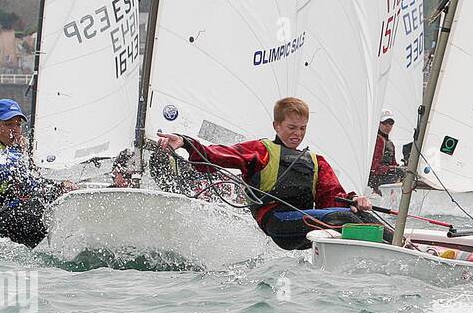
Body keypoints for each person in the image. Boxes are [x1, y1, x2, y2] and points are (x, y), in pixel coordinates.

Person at [157, 96, 381, 251]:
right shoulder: (260, 151)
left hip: (307, 226)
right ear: (276, 125)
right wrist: (186, 142)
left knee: (358, 215)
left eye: (302, 128)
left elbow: (332, 197)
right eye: (292, 127)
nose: (298, 134)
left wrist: (354, 200)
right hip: (277, 223)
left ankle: (404, 245)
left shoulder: (315, 161)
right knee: (344, 219)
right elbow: (217, 155)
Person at [0, 99, 75, 248]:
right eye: (8, 124)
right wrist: (22, 151)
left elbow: (31, 182)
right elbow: (7, 171)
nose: (15, 129)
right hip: (3, 218)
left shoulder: (13, 152)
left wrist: (60, 186)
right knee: (48, 206)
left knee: (63, 197)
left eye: (18, 124)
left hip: (22, 210)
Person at [370, 110, 404, 192]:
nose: (388, 126)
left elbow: (393, 163)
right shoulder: (376, 141)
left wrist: (401, 168)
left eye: (390, 123)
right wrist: (393, 169)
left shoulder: (390, 143)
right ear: (378, 123)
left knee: (404, 174)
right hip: (374, 181)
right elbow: (374, 167)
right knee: (397, 174)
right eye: (385, 123)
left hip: (385, 177)